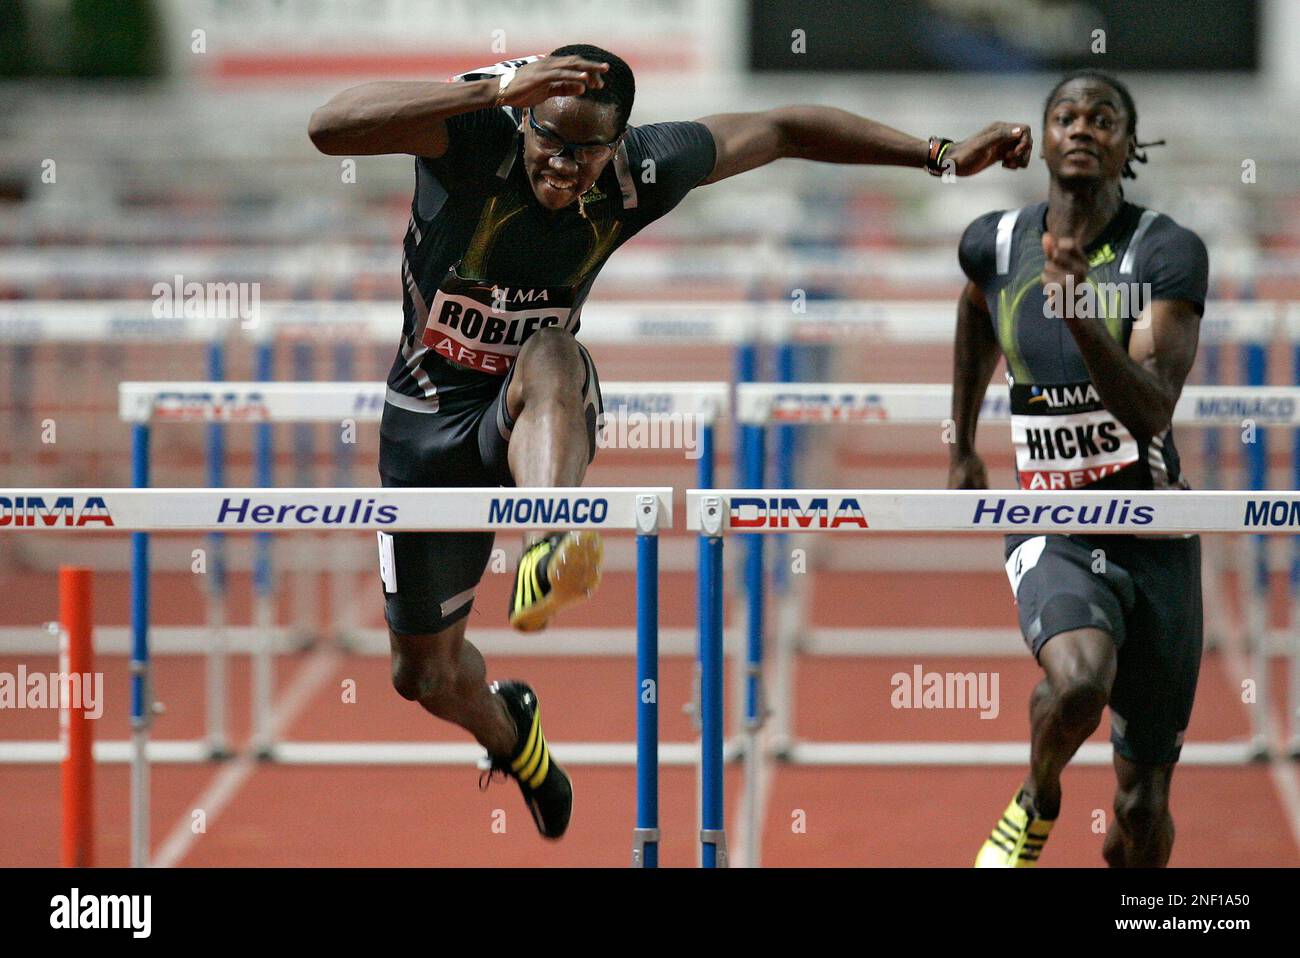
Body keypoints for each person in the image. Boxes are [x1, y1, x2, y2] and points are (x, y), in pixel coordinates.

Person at [310, 44, 1032, 841]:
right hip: (424, 428)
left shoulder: (644, 171)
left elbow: (784, 125)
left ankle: (552, 541)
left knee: (550, 354)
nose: (563, 166)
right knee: (425, 677)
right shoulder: (475, 136)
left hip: (538, 410)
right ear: (524, 120)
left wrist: (935, 154)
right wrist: (490, 90)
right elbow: (328, 126)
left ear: (620, 142)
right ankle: (514, 734)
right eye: (549, 142)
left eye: (588, 152)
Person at [949, 70, 1208, 867]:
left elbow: (1150, 410)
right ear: (1042, 138)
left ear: (1129, 145)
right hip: (1052, 521)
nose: (1083, 128)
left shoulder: (1165, 251)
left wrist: (1085, 319)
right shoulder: (994, 241)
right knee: (1079, 683)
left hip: (1154, 528)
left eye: (1104, 118)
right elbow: (973, 312)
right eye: (1065, 116)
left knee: (1141, 806)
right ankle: (1039, 794)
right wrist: (958, 441)